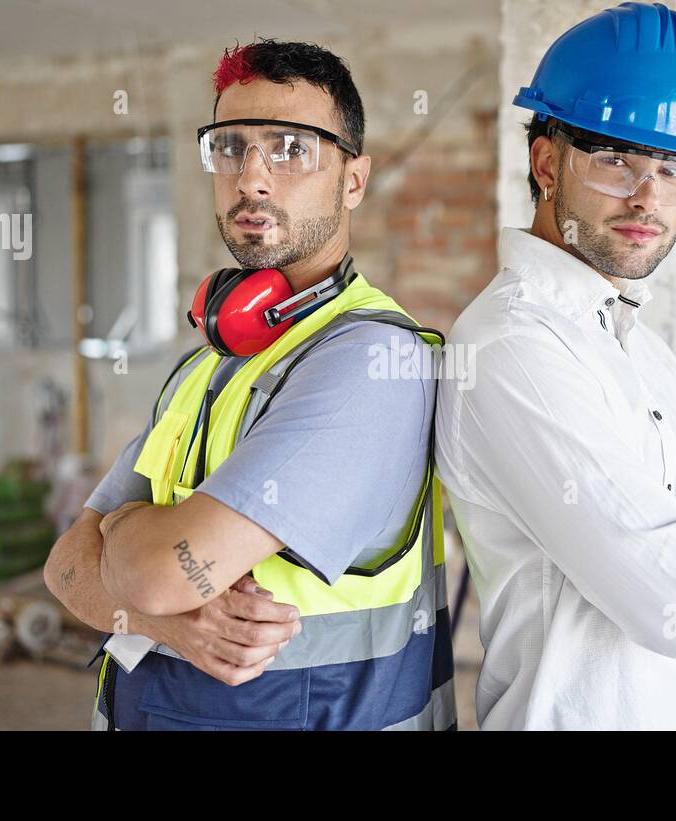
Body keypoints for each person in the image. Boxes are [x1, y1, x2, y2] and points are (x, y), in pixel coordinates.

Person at [45, 38, 454, 731]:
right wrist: (170, 625)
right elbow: (65, 571)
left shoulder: (373, 363)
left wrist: (120, 535)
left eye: (292, 149)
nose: (252, 178)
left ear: (353, 181)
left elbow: (155, 572)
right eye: (230, 147)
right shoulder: (209, 360)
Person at [435, 2, 676, 730]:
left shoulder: (639, 345)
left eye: (674, 167)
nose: (648, 197)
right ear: (545, 164)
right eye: (616, 159)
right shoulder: (511, 349)